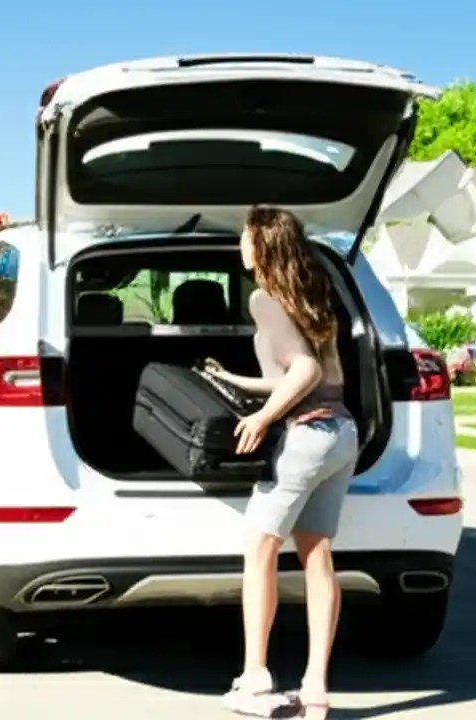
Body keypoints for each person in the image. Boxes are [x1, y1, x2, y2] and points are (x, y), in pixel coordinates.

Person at [207, 206, 357, 719]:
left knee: (260, 549)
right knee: (317, 557)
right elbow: (304, 370)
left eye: (246, 238)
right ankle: (315, 688)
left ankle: (254, 677)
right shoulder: (312, 295)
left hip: (307, 433)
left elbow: (307, 370)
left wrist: (262, 419)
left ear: (263, 245)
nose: (240, 247)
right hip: (342, 435)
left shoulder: (264, 298)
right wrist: (235, 380)